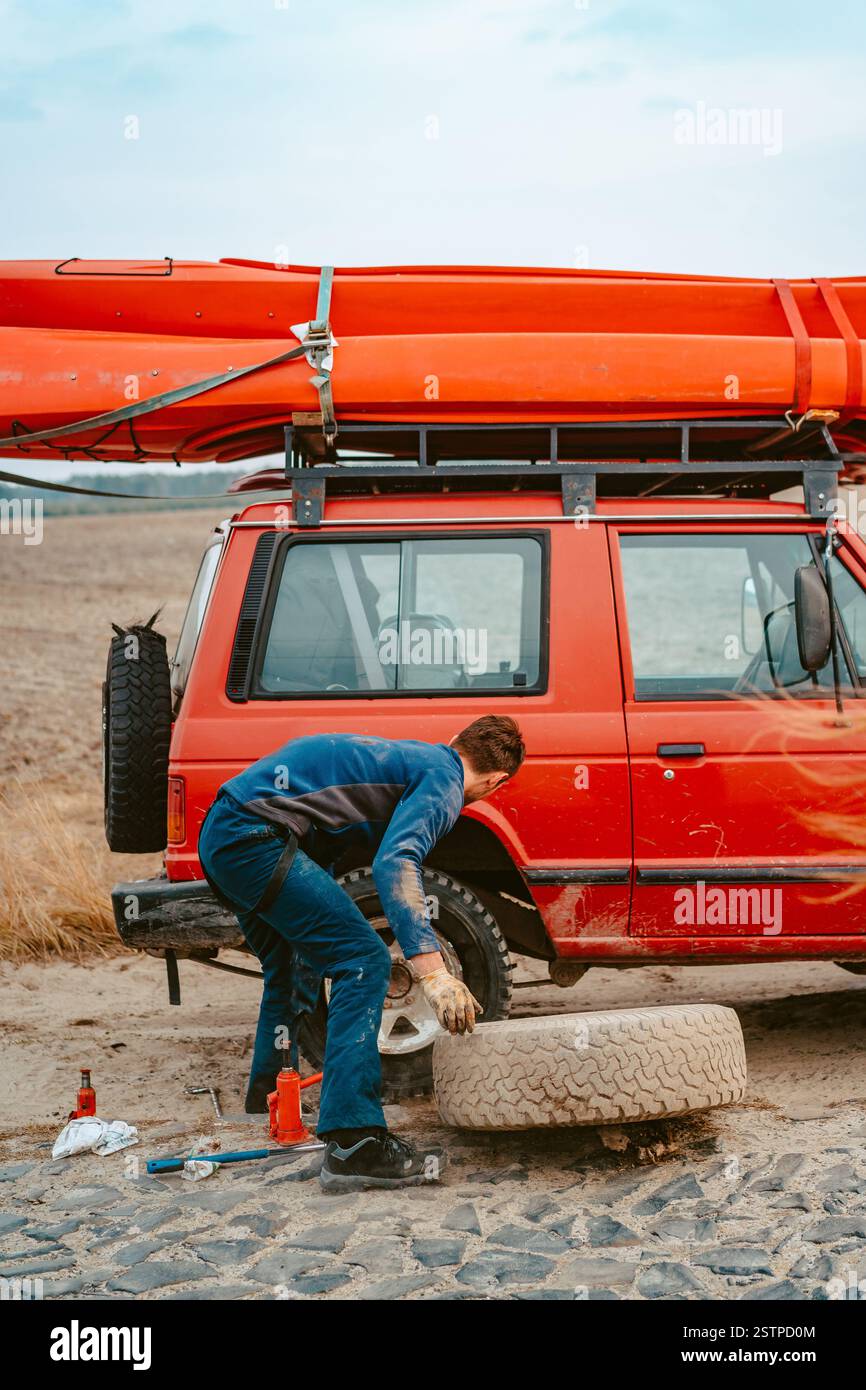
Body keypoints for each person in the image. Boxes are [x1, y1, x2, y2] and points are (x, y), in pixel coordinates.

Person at [197, 714, 525, 1190]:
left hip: (227, 833)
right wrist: (432, 971)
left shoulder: (414, 758)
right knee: (365, 961)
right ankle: (355, 1142)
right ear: (497, 781)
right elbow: (397, 860)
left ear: (456, 740)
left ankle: (271, 1108)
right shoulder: (445, 779)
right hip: (255, 838)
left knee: (291, 966)